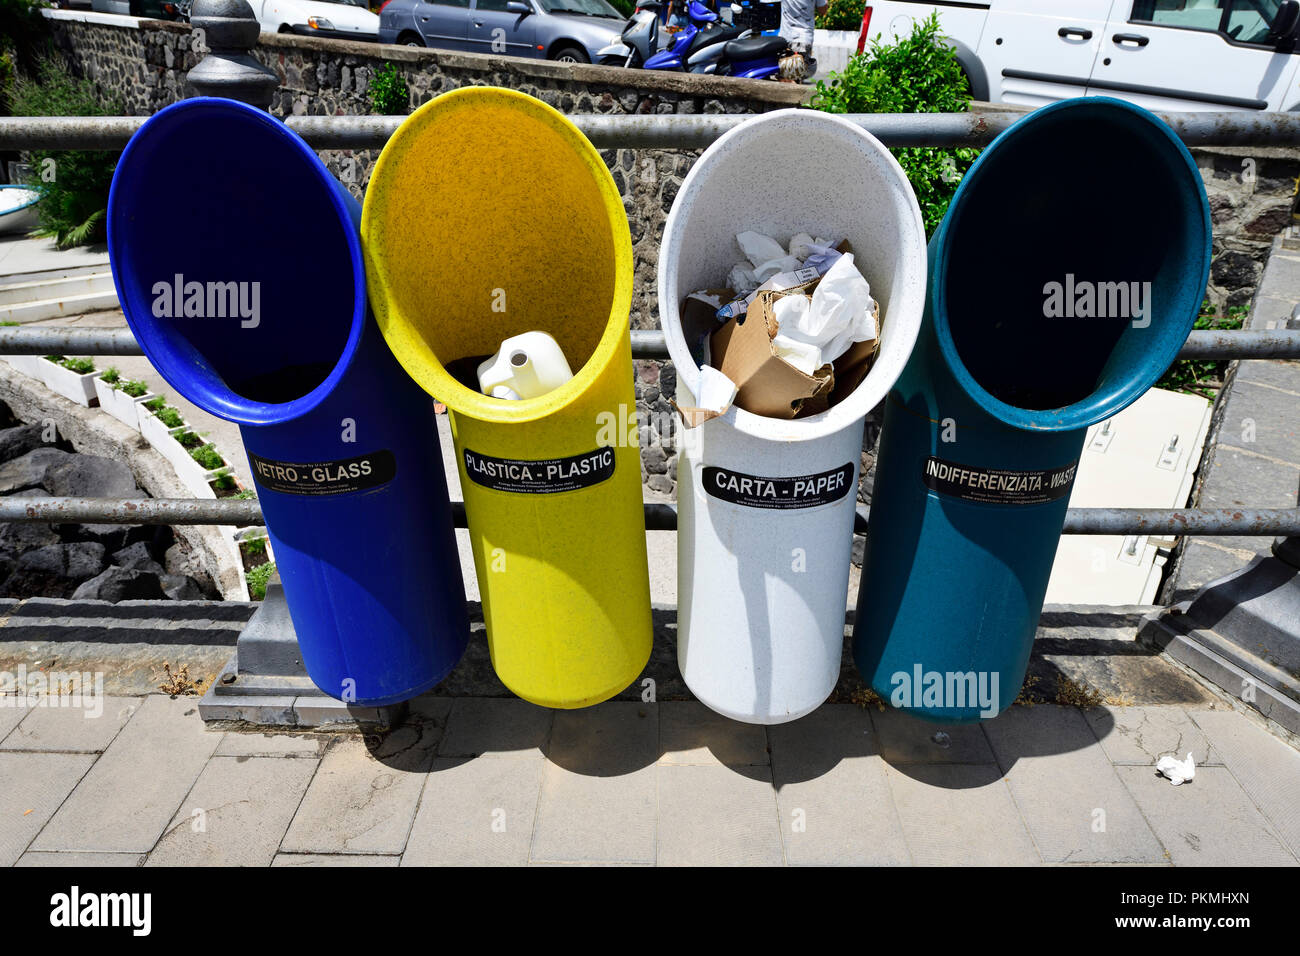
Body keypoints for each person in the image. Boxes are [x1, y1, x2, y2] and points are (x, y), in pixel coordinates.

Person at [780, 0, 826, 76]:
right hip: (803, 39)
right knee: (795, 78)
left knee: (787, 78)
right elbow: (822, 10)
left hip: (784, 38)